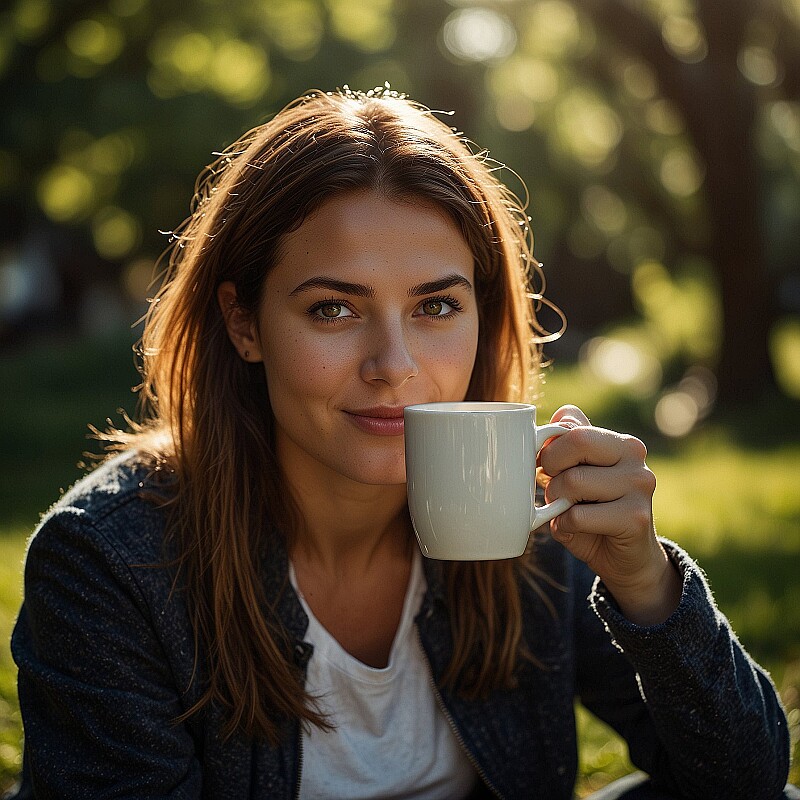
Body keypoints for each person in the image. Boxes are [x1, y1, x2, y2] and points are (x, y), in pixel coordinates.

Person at [9, 87, 796, 800]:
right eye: (332, 310)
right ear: (244, 322)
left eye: (436, 308)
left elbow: (744, 779)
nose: (395, 367)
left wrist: (645, 583)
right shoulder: (107, 565)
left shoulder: (531, 520)